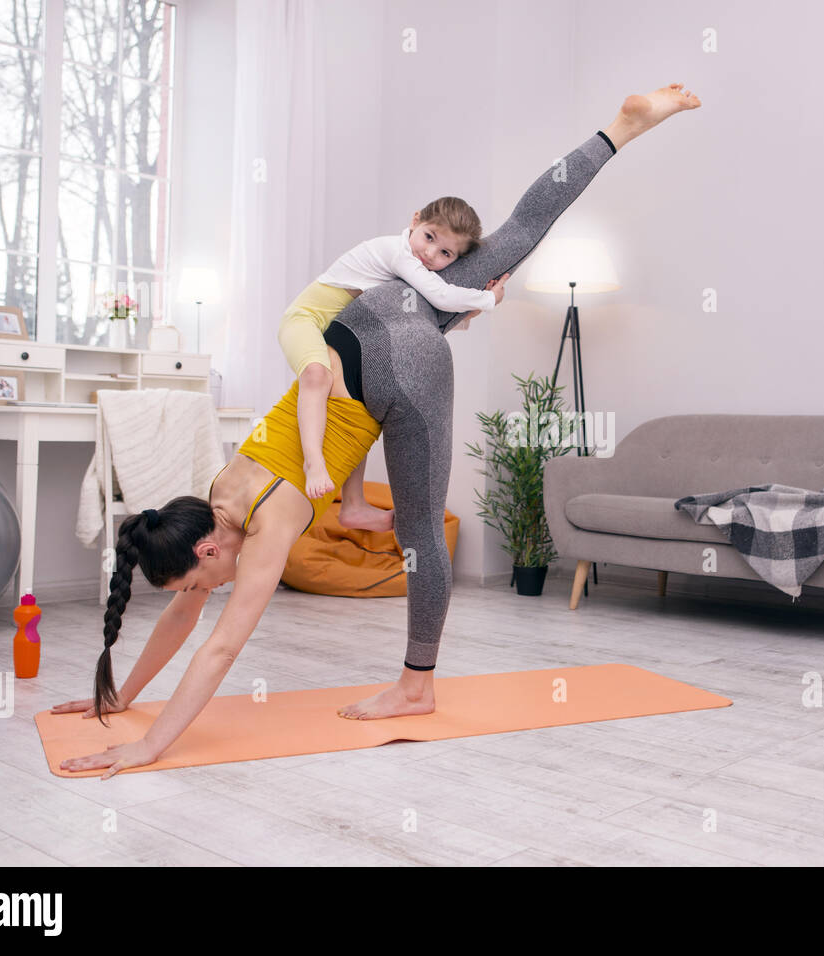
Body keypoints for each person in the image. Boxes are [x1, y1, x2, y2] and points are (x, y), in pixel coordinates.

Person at [51, 83, 701, 778]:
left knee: (421, 534)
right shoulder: (218, 487)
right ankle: (617, 130)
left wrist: (148, 747)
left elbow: (216, 647)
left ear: (208, 548)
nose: (196, 595)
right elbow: (187, 613)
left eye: (193, 581)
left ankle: (417, 687)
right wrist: (116, 698)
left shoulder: (267, 531)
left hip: (404, 373)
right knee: (513, 234)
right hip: (372, 316)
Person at [281, 200, 509, 533]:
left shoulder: (411, 269)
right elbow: (441, 297)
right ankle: (313, 463)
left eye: (446, 253)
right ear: (415, 221)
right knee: (317, 376)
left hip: (335, 333)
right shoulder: (397, 252)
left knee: (358, 409)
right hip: (305, 320)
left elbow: (422, 313)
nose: (431, 254)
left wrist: (469, 311)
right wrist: (490, 300)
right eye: (429, 237)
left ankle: (353, 505)